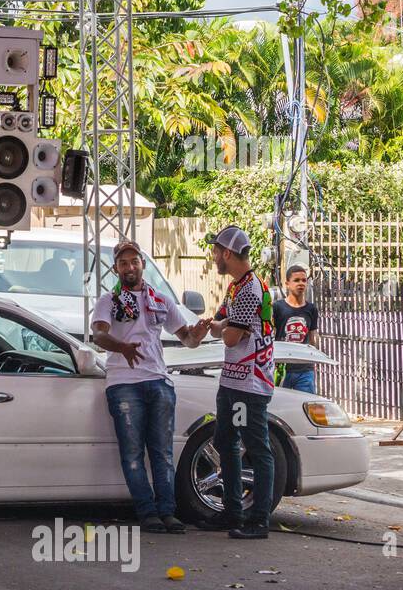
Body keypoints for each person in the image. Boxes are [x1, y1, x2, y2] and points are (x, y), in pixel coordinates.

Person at [91, 241, 210, 534]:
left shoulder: (161, 300)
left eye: (134, 261)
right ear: (116, 268)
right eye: (123, 263)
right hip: (124, 383)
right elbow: (98, 335)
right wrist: (122, 347)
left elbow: (187, 339)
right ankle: (147, 513)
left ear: (142, 263)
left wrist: (197, 335)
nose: (130, 267)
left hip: (158, 381)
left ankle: (167, 513)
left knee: (162, 453)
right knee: (132, 454)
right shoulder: (109, 300)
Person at [203, 225, 276, 539]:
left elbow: (229, 336)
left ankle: (259, 520)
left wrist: (220, 327)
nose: (214, 257)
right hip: (233, 382)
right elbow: (215, 323)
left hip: (249, 384)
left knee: (257, 449)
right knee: (226, 443)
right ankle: (232, 512)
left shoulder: (250, 290)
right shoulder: (236, 287)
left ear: (228, 254)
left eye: (216, 251)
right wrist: (219, 326)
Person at [273, 264, 320, 394]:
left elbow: (313, 337)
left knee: (306, 404)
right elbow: (272, 335)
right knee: (280, 406)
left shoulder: (311, 309)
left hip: (305, 369)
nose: (301, 283)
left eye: (304, 280)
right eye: (296, 280)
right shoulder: (278, 307)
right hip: (282, 368)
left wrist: (313, 361)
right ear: (287, 284)